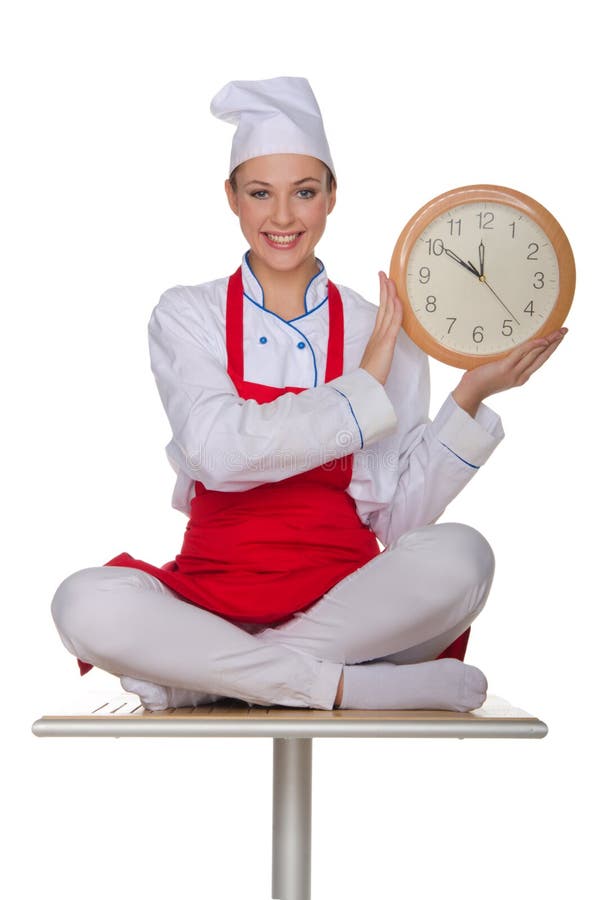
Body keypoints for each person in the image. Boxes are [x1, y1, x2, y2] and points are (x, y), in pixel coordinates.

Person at [50, 76, 567, 713]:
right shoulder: (188, 314)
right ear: (232, 198)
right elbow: (218, 452)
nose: (283, 217)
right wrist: (359, 391)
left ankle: (217, 680)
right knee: (82, 602)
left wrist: (469, 395)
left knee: (464, 556)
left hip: (345, 600)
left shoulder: (383, 331)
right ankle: (345, 686)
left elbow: (399, 521)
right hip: (210, 598)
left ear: (330, 199)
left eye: (304, 192)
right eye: (261, 193)